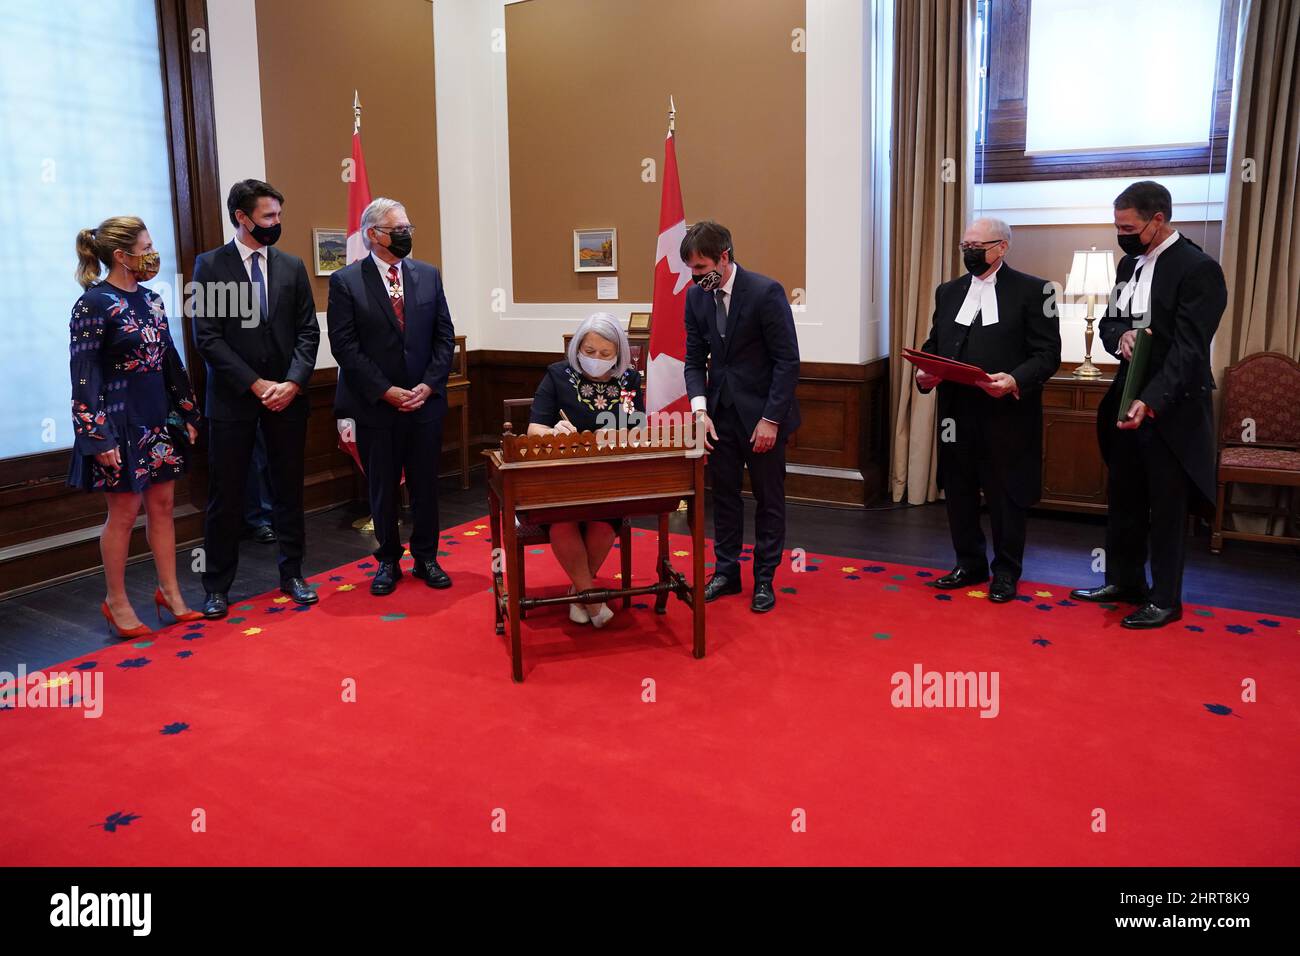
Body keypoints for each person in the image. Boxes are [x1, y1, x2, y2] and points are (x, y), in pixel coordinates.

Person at [1070, 181, 1227, 628]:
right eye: (1117, 225)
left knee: (1168, 505)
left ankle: (1165, 598)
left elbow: (1191, 349)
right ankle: (1124, 581)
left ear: (1158, 220)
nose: (1121, 234)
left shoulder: (1198, 269)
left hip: (1172, 407)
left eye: (1129, 226)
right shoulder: (1127, 266)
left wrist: (1152, 400)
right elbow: (1110, 322)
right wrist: (1119, 336)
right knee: (1125, 496)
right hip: (1126, 397)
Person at [69, 216, 203, 637]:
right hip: (117, 422)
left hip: (157, 417)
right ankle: (117, 600)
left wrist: (185, 412)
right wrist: (95, 433)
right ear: (120, 255)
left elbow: (169, 359)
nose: (152, 253)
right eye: (145, 246)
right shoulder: (92, 303)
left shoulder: (153, 299)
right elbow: (84, 371)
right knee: (124, 512)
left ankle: (170, 592)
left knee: (162, 506)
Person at [192, 179, 320, 619]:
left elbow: (308, 331)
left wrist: (294, 382)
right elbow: (207, 339)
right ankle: (216, 585)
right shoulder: (209, 266)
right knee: (226, 496)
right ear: (242, 218)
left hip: (288, 398)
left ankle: (293, 573)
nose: (277, 223)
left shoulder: (291, 266)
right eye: (269, 217)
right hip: (233, 401)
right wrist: (255, 384)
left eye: (279, 215)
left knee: (288, 490)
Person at [915, 217, 1061, 601]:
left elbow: (1048, 355)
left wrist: (1014, 379)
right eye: (965, 246)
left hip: (1006, 413)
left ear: (1002, 247)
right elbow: (935, 345)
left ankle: (1007, 571)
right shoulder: (948, 292)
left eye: (977, 246)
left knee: (1005, 495)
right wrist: (925, 374)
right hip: (956, 413)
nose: (969, 252)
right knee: (959, 490)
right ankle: (969, 563)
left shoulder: (1036, 291)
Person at [327, 197, 456, 596]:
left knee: (424, 485)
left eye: (407, 229)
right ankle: (387, 560)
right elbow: (344, 347)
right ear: (373, 235)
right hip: (376, 407)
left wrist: (428, 385)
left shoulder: (428, 275)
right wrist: (385, 391)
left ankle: (426, 557)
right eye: (398, 229)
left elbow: (444, 337)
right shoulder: (346, 281)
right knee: (382, 487)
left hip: (424, 403)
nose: (405, 235)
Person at [682, 221, 800, 614]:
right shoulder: (696, 299)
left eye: (701, 268)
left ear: (724, 257)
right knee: (725, 498)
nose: (695, 277)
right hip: (720, 416)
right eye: (691, 270)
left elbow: (787, 361)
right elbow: (694, 362)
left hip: (764, 416)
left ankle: (765, 577)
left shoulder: (765, 292)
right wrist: (700, 411)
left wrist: (771, 419)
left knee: (769, 498)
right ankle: (727, 571)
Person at [528, 313, 644, 628]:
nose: (596, 359)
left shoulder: (628, 383)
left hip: (607, 477)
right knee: (563, 523)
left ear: (618, 354)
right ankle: (592, 601)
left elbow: (634, 425)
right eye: (589, 351)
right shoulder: (557, 376)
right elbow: (534, 427)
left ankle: (580, 592)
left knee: (604, 525)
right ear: (578, 347)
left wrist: (624, 432)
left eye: (605, 354)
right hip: (561, 475)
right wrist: (553, 433)